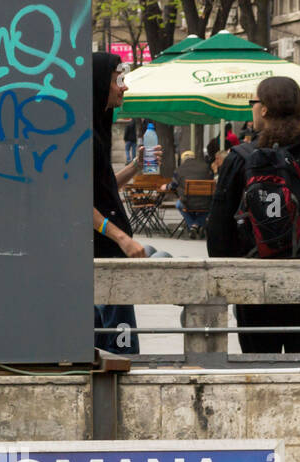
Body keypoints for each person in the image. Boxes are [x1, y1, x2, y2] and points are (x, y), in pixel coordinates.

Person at [206, 75, 300, 354]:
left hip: (254, 287)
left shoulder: (240, 158)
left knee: (258, 370)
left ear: (265, 109)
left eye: (253, 101)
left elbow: (219, 232)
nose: (252, 107)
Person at [92, 53, 154, 356]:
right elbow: (76, 199)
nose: (124, 87)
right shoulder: (84, 135)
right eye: (119, 79)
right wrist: (123, 238)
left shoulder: (98, 129)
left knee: (108, 346)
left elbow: (100, 190)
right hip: (102, 258)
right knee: (119, 353)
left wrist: (133, 168)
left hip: (108, 257)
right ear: (100, 83)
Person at [163, 147, 213, 235]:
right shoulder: (206, 167)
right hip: (206, 203)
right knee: (209, 207)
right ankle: (198, 225)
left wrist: (166, 186)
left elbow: (173, 186)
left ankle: (193, 225)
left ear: (183, 160)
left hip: (187, 202)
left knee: (179, 205)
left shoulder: (179, 170)